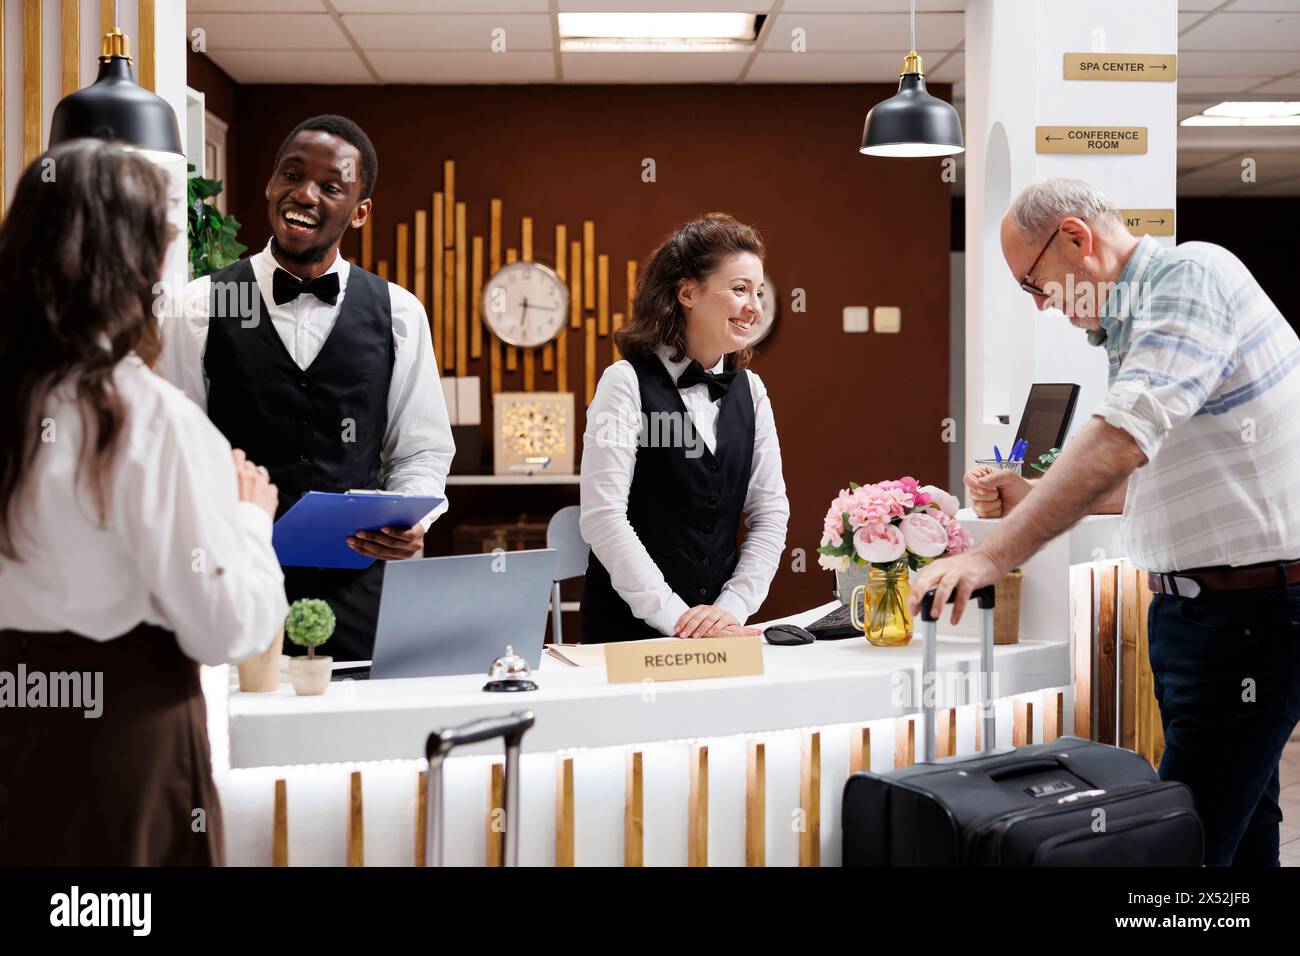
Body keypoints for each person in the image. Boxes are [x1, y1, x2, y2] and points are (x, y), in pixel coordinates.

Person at [912, 177, 1300, 866]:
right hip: (1212, 617)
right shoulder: (1138, 321)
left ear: (1074, 239)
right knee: (1240, 837)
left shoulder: (1189, 277)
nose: (1041, 305)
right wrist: (1032, 493)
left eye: (1034, 284)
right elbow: (1144, 475)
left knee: (1181, 846)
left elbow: (1122, 437)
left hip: (1249, 617)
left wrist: (991, 556)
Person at [0, 140, 288, 865]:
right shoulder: (146, 417)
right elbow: (224, 627)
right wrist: (251, 519)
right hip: (121, 750)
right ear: (132, 263)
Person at [159, 114, 454, 661]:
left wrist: (409, 520)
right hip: (232, 584)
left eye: (330, 186)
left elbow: (422, 448)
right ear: (271, 185)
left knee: (362, 744)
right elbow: (173, 450)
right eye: (291, 176)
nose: (305, 195)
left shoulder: (399, 313)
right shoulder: (198, 306)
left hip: (359, 590)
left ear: (360, 211)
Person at [580, 214, 789, 642]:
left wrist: (732, 609)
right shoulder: (625, 383)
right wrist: (676, 618)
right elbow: (603, 518)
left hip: (722, 634)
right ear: (688, 292)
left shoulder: (752, 391)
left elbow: (770, 513)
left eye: (759, 292)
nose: (754, 306)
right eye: (739, 289)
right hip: (626, 633)